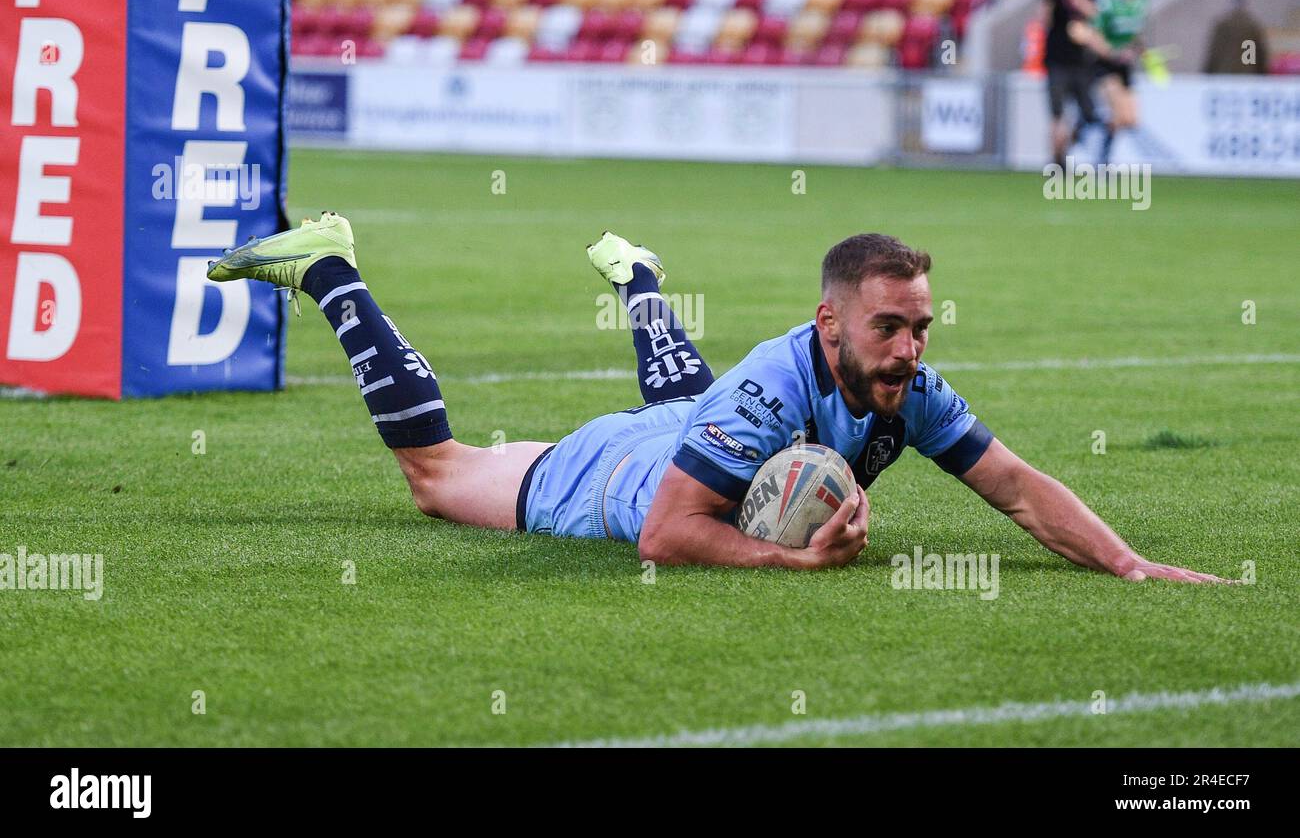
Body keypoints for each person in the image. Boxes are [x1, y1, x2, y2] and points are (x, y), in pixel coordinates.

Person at [206, 214, 1235, 582]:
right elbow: (663, 536)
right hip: (612, 478)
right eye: (890, 326)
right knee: (437, 479)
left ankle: (637, 279)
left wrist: (1128, 561)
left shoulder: (900, 383)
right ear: (831, 320)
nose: (910, 348)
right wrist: (792, 557)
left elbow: (1013, 485)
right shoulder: (772, 386)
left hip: (692, 429)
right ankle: (332, 269)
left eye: (921, 326)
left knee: (711, 408)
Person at [1077, 0, 1147, 164]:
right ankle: (1103, 159)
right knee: (1117, 114)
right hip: (1105, 65)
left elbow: (1135, 34)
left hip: (1125, 66)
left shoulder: (1142, 2)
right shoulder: (1107, 3)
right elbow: (1093, 34)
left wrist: (1141, 51)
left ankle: (1085, 125)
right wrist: (1112, 52)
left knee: (1130, 119)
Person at [1043, 0, 1101, 167]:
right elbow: (1044, 21)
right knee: (1057, 113)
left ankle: (1070, 142)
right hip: (1058, 62)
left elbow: (1095, 16)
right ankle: (1057, 161)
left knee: (1089, 113)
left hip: (1081, 64)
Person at [1203, 0, 1270, 75]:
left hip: (1224, 72)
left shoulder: (1222, 25)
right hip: (1248, 73)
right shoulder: (1252, 25)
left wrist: (1207, 72)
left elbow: (1215, 52)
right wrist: (1262, 73)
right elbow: (1259, 53)